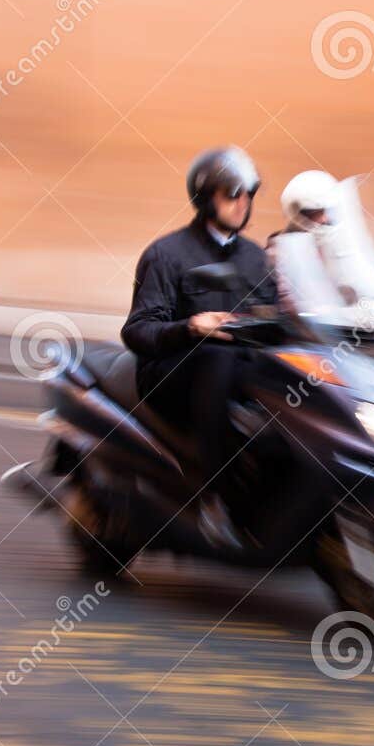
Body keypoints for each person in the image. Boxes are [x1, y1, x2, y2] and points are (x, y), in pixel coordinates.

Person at [120, 145, 280, 508]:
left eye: (249, 193)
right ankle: (214, 494)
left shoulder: (256, 258)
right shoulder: (167, 254)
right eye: (232, 194)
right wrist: (191, 326)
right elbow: (138, 330)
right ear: (207, 198)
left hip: (237, 370)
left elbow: (276, 318)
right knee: (217, 356)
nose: (242, 203)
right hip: (172, 371)